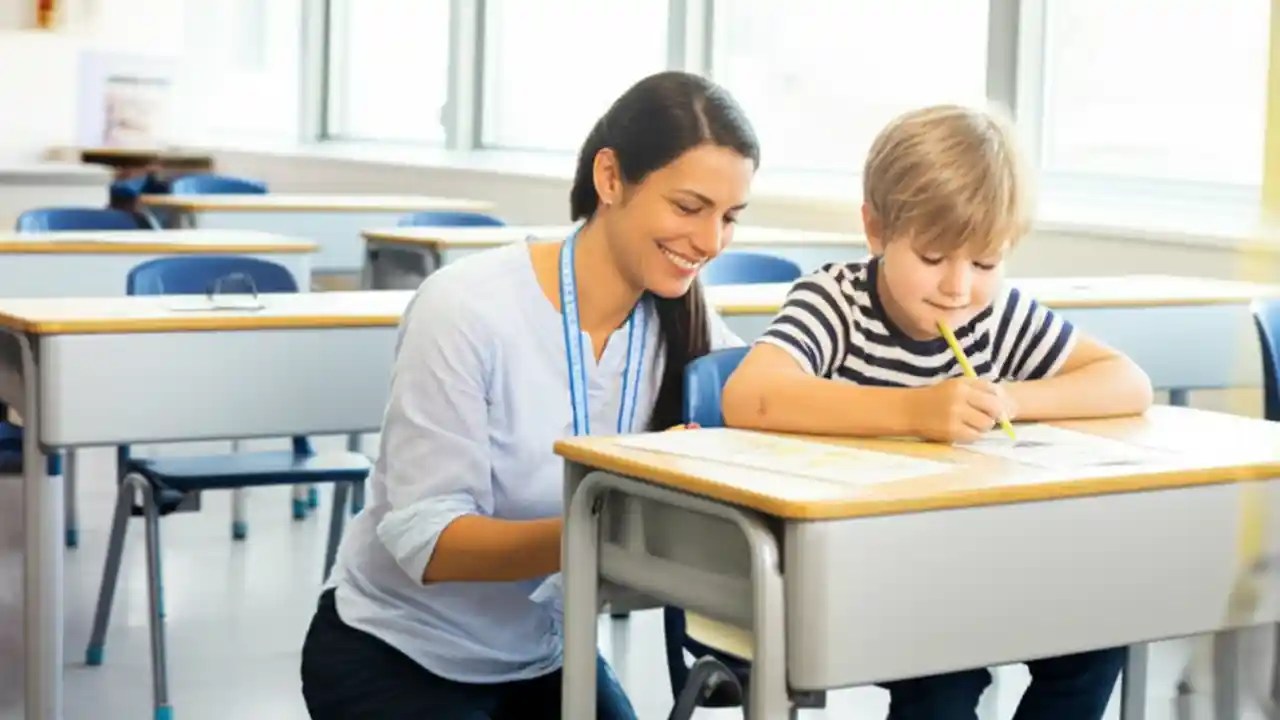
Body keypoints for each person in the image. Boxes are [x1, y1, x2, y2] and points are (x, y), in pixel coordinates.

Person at [300, 70, 758, 719]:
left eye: (730, 218)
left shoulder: (685, 322)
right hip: (400, 655)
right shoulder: (466, 308)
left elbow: (772, 400)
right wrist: (612, 526)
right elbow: (423, 539)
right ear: (610, 179)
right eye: (689, 208)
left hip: (546, 657)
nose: (711, 242)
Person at [721, 104, 1153, 719]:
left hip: (977, 566)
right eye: (931, 258)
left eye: (984, 263)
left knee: (1096, 639)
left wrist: (1011, 397)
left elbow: (1127, 382)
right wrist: (914, 411)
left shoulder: (994, 315)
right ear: (875, 231)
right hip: (861, 573)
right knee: (943, 679)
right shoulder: (835, 301)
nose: (957, 287)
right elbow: (748, 395)